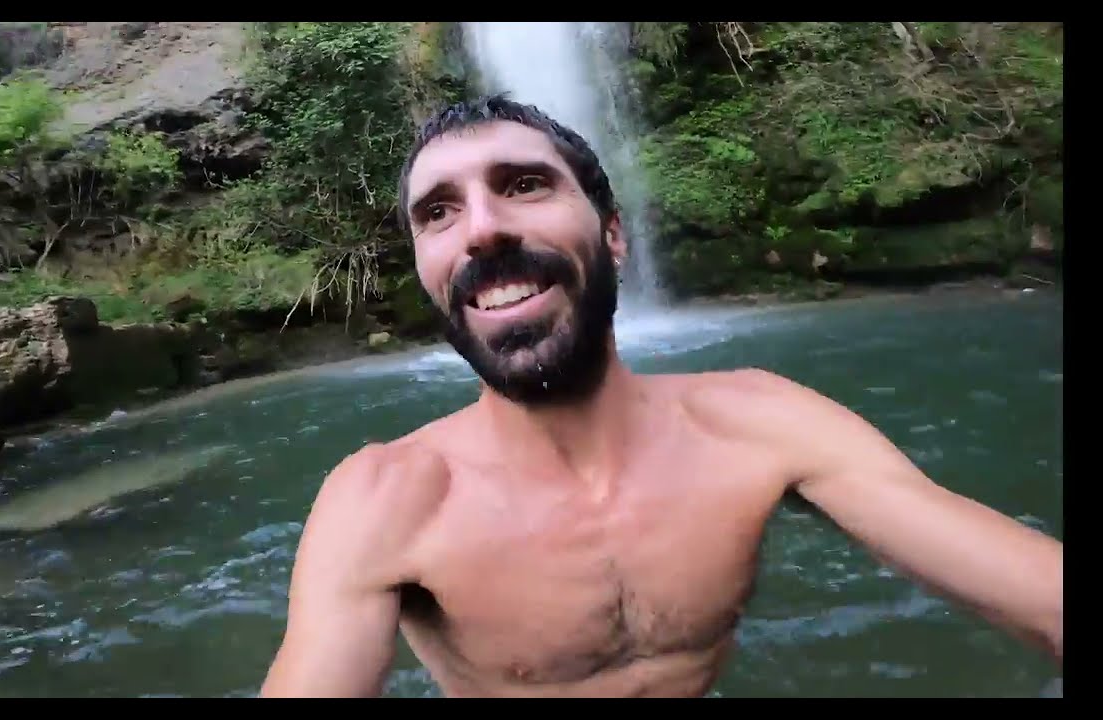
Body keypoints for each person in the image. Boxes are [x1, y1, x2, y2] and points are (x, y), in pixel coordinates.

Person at [258, 95, 1063, 698]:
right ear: (426, 268)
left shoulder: (760, 421)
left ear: (613, 233)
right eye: (439, 211)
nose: (481, 229)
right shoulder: (384, 502)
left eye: (525, 184)